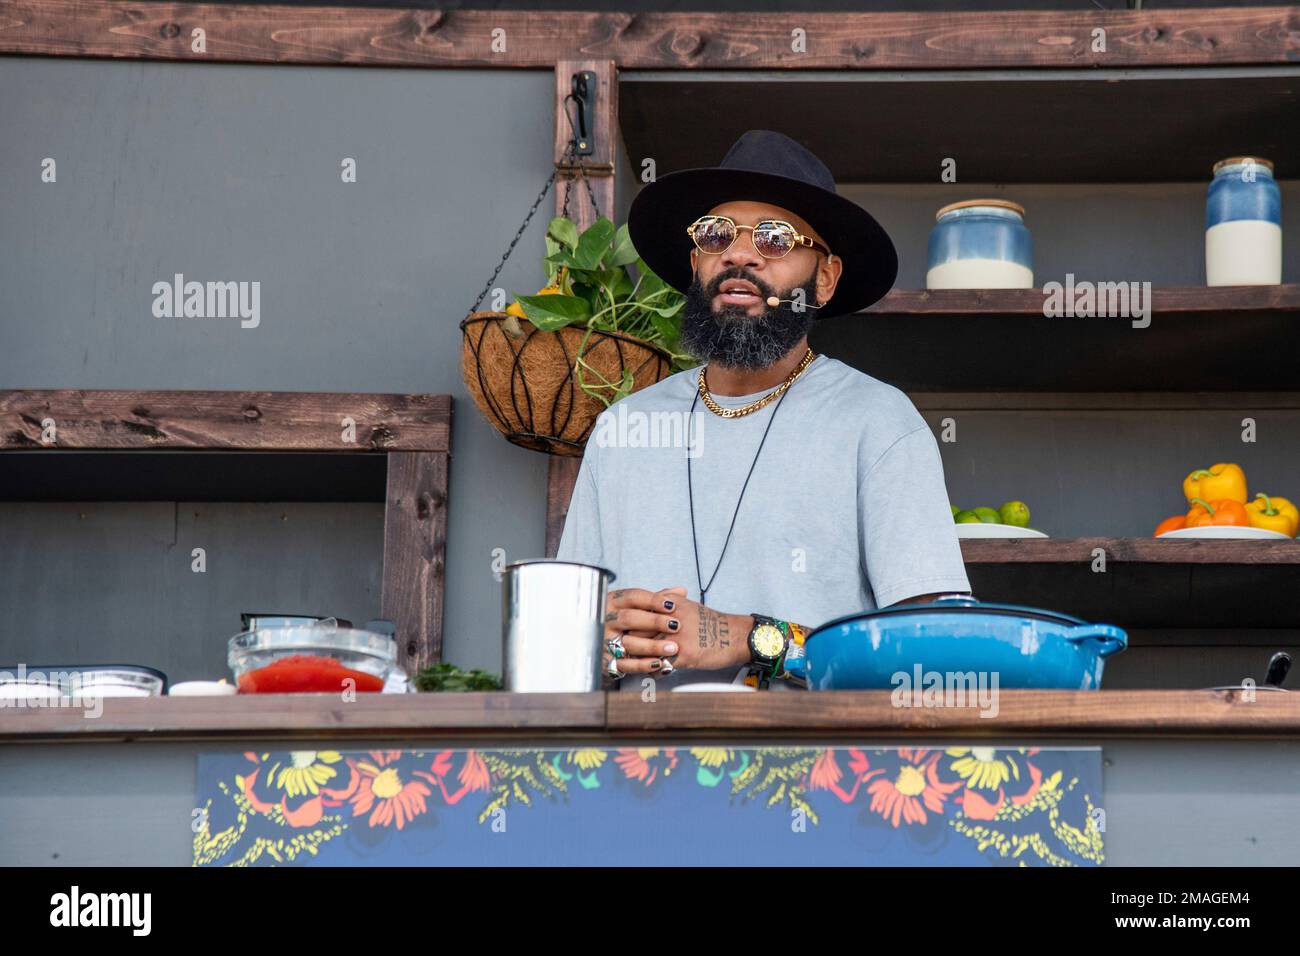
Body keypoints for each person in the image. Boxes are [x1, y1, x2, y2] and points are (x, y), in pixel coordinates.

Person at [555, 129, 970, 690]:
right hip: (638, 767)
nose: (739, 253)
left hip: (816, 768)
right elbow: (566, 650)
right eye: (716, 234)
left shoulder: (878, 422)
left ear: (824, 279)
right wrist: (603, 649)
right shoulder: (624, 429)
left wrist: (751, 637)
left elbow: (936, 651)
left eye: (775, 238)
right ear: (695, 263)